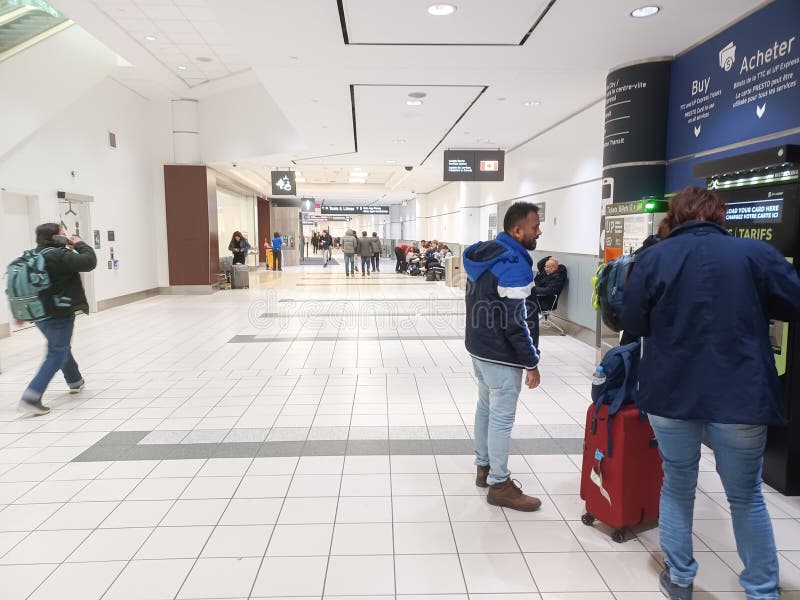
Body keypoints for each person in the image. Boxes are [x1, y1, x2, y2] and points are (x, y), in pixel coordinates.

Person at [621, 187, 800, 600]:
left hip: (670, 392)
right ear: (720, 215)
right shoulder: (755, 254)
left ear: (677, 216)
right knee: (746, 495)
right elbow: (792, 303)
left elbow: (634, 321)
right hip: (741, 393)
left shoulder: (654, 258)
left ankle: (680, 579)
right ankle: (762, 590)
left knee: (677, 483)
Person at [462, 202, 543, 511]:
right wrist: (531, 362)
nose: (539, 232)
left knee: (485, 407)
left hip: (479, 347)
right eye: (535, 227)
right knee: (501, 419)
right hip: (501, 354)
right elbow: (516, 323)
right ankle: (499, 484)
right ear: (517, 230)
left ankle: (483, 467)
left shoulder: (484, 254)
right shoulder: (513, 263)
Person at [18, 224, 97, 415]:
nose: (66, 236)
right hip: (59, 312)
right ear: (55, 237)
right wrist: (80, 244)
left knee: (60, 346)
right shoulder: (58, 255)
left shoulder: (33, 255)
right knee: (57, 352)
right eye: (63, 234)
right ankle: (32, 396)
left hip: (38, 312)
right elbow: (89, 262)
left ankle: (74, 380)